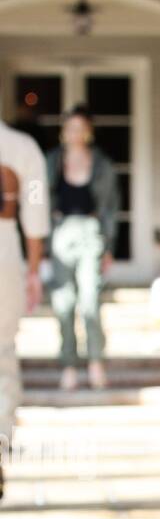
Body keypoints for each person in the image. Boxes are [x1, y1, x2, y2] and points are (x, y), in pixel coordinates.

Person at [45, 105, 119, 391]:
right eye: (70, 127)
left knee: (90, 299)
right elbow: (38, 196)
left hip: (91, 232)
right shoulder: (52, 161)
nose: (75, 133)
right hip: (61, 232)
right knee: (64, 301)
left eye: (80, 128)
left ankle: (96, 361)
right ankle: (68, 363)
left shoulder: (102, 164)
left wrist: (109, 245)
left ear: (88, 132)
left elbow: (111, 207)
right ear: (64, 131)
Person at [0, 114, 50, 498]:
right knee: (2, 356)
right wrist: (33, 271)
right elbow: (35, 216)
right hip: (5, 256)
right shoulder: (23, 148)